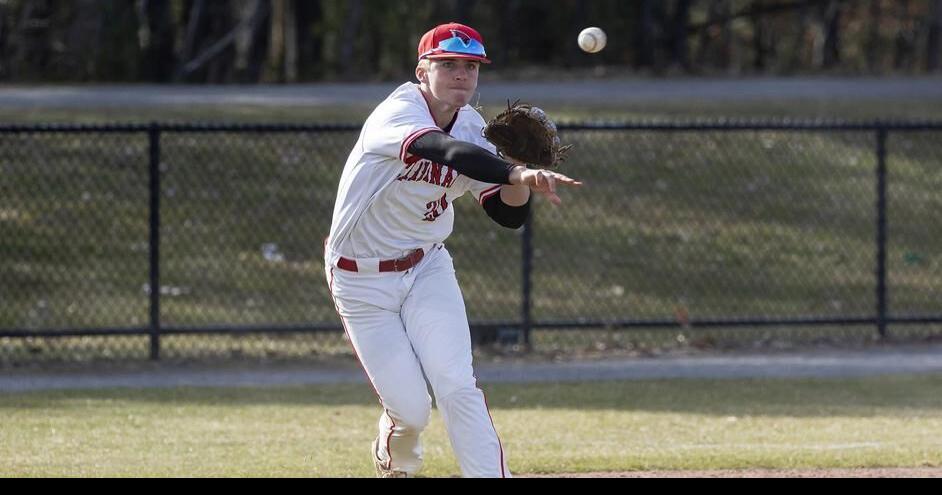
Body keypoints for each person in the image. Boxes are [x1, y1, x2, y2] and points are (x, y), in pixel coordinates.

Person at [324, 22, 581, 478]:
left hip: (426, 266)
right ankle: (394, 456)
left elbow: (507, 214)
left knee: (458, 384)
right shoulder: (397, 112)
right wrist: (512, 172)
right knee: (412, 411)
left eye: (470, 66)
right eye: (447, 65)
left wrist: (517, 173)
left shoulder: (474, 127)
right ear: (422, 71)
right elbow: (438, 149)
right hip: (360, 278)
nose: (461, 74)